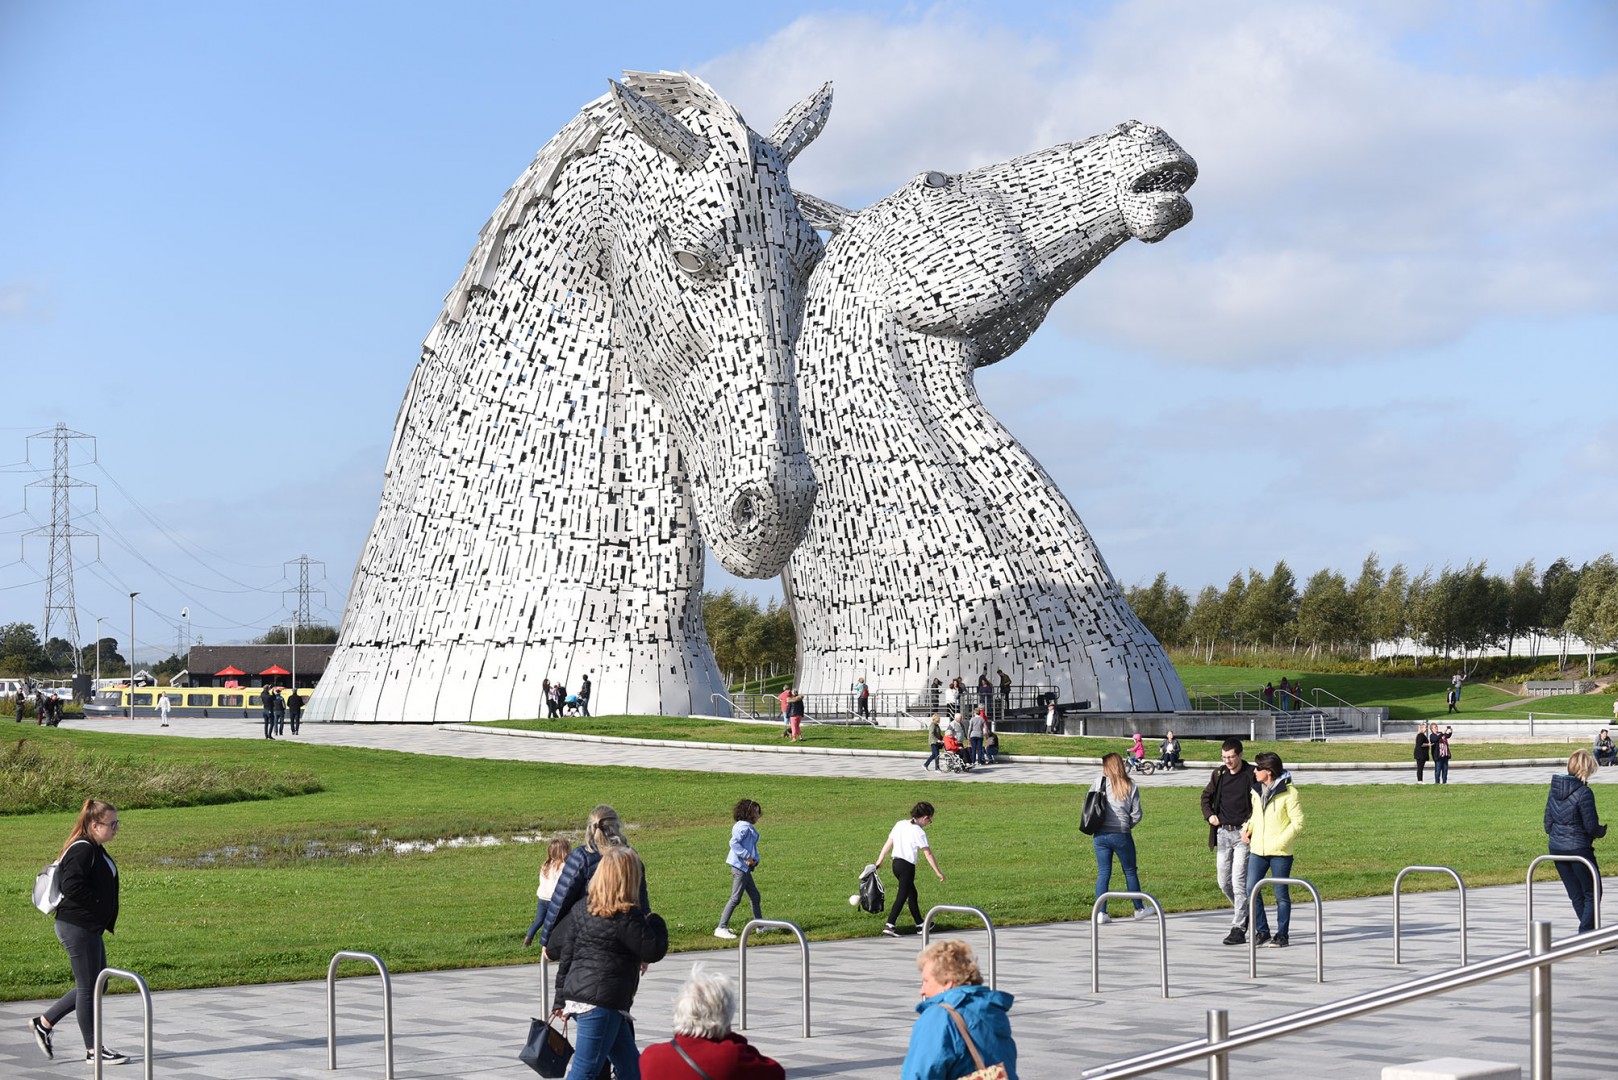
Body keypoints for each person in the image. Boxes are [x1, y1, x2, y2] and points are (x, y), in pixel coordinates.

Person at [548, 846, 668, 1080]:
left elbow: (567, 956)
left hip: (588, 1000)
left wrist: (560, 1000)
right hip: (601, 1004)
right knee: (585, 1071)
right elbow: (653, 949)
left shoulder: (582, 908)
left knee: (632, 1069)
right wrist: (655, 920)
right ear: (629, 879)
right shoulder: (626, 915)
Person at [29, 799, 128, 1066]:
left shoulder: (94, 847)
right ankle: (93, 1051)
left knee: (99, 983)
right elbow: (72, 886)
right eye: (112, 824)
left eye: (118, 823)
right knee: (89, 988)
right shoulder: (83, 849)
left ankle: (44, 1023)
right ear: (95, 825)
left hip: (88, 927)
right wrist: (98, 905)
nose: (117, 828)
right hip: (77, 927)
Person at [640, 965, 783, 1080]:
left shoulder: (650, 1057)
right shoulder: (733, 1057)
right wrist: (733, 1040)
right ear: (724, 1016)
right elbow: (776, 1072)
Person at [901, 940, 1018, 1080]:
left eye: (926, 981)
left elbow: (920, 1074)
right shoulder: (991, 1009)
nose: (922, 991)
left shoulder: (939, 1016)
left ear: (948, 982)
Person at [541, 804, 648, 949]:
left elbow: (561, 900)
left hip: (586, 935)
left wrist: (546, 940)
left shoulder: (581, 857)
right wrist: (644, 944)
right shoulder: (630, 857)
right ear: (617, 827)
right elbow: (641, 902)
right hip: (624, 937)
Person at [1243, 751, 1304, 948]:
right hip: (1257, 851)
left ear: (1268, 772)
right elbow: (1255, 816)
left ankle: (1282, 934)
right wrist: (1247, 829)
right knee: (1251, 888)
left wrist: (1281, 842)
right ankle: (1262, 930)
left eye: (1258, 768)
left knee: (1281, 895)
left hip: (1280, 853)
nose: (1254, 771)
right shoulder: (1256, 790)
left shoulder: (1290, 793)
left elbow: (1298, 822)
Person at [1544, 748, 1608, 935]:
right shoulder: (1584, 792)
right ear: (1585, 770)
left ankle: (1589, 934)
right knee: (1593, 892)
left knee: (1576, 894)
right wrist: (1601, 831)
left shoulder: (1554, 790)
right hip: (1579, 848)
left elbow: (1548, 824)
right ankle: (1586, 933)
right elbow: (1590, 826)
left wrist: (1559, 834)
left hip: (1556, 847)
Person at [1202, 738, 1256, 944]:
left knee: (1238, 882)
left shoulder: (1251, 774)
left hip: (1243, 835)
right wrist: (1210, 816)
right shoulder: (1219, 774)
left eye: (1231, 757)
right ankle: (1246, 911)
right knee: (1224, 882)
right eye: (1224, 757)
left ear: (1240, 755)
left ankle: (1239, 927)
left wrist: (1249, 825)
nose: (1228, 761)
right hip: (1223, 833)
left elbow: (1259, 803)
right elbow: (1205, 797)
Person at [1090, 753, 1147, 923]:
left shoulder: (1098, 782)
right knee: (1129, 871)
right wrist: (1127, 825)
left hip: (1099, 834)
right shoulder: (1129, 785)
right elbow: (1136, 814)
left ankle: (1101, 913)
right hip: (1121, 833)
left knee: (1103, 873)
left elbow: (1090, 805)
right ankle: (1138, 908)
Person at [875, 801, 944, 937]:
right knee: (902, 895)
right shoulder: (918, 832)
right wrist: (938, 872)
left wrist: (879, 860)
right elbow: (928, 853)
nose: (929, 822)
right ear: (925, 817)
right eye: (930, 819)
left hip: (896, 865)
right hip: (907, 866)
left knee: (912, 893)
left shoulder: (900, 824)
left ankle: (920, 924)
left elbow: (888, 844)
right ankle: (890, 925)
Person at [714, 799, 763, 939]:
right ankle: (721, 927)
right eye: (755, 813)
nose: (758, 816)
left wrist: (755, 860)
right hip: (740, 868)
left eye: (759, 813)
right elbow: (733, 843)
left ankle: (760, 926)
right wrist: (747, 857)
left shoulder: (745, 826)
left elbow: (752, 847)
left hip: (745, 869)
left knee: (755, 896)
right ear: (747, 813)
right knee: (735, 898)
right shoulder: (743, 827)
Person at [523, 837, 572, 948]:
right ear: (564, 852)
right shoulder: (563, 867)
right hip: (553, 899)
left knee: (538, 920)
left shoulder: (546, 864)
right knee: (553, 921)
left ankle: (528, 938)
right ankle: (551, 942)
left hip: (542, 897)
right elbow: (561, 884)